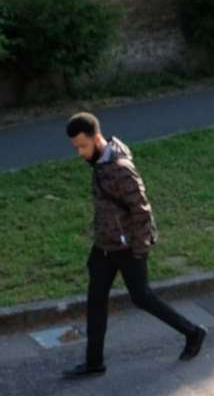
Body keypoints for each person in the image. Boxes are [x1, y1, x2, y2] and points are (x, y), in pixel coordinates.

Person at [63, 112, 206, 377]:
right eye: (76, 148)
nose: (80, 153)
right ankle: (94, 363)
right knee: (95, 301)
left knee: (142, 297)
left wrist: (138, 250)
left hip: (128, 248)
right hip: (105, 247)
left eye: (82, 146)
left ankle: (193, 332)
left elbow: (141, 211)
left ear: (97, 139)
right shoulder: (100, 163)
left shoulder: (120, 169)